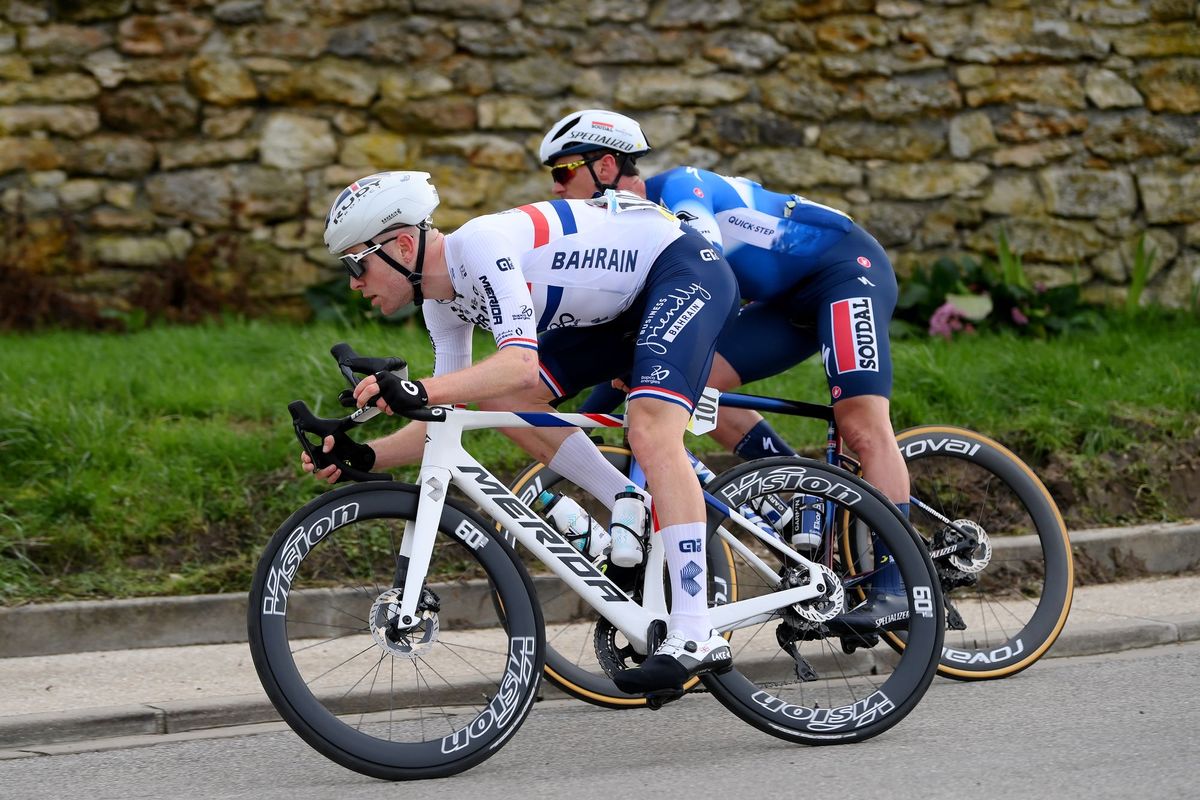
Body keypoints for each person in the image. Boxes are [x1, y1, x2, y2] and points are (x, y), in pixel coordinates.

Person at [302, 170, 738, 693]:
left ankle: (695, 631)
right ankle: (633, 501)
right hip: (623, 307)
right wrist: (364, 456)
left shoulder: (482, 245)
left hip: (682, 271)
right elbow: (450, 414)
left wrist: (419, 390)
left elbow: (519, 365)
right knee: (500, 401)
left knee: (649, 427)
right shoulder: (442, 305)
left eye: (357, 264)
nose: (354, 282)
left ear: (399, 244)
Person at [538, 109, 911, 623]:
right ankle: (795, 497)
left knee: (862, 425)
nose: (556, 188)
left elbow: (708, 272)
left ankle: (901, 588)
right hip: (781, 303)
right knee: (690, 383)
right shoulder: (626, 236)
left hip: (845, 273)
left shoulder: (681, 191)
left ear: (605, 166)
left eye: (562, 172)